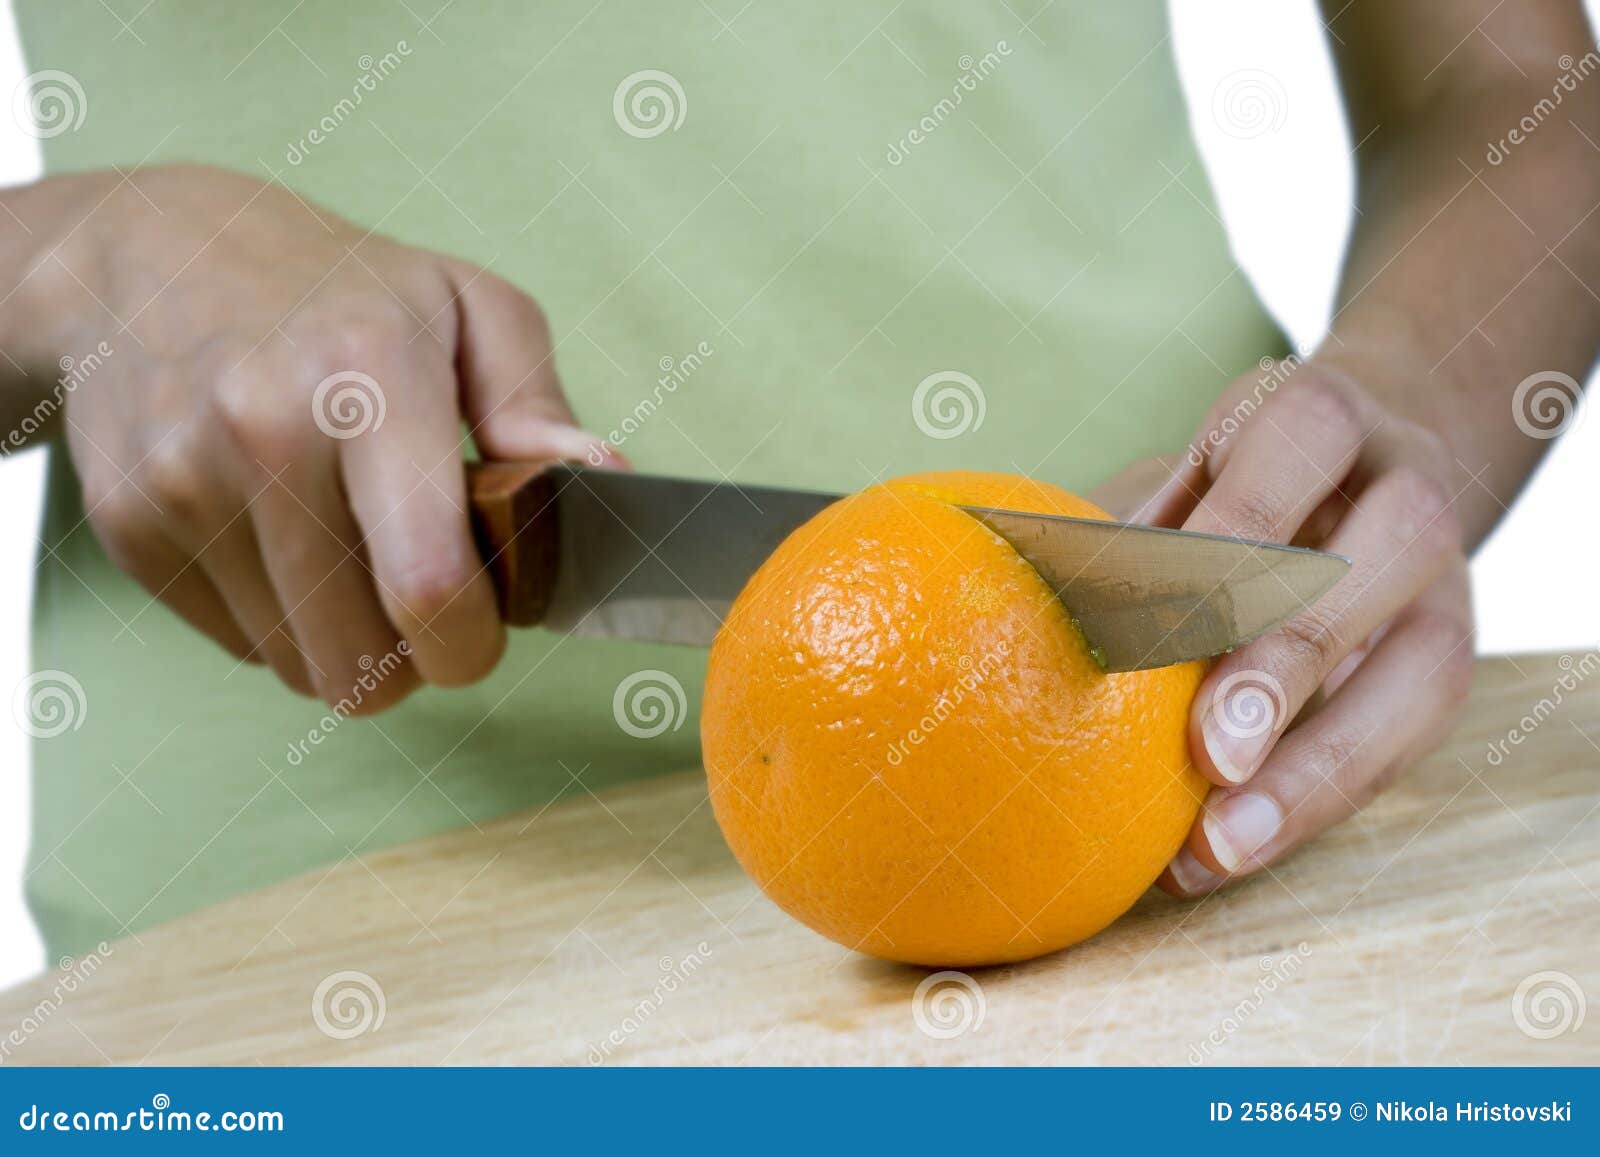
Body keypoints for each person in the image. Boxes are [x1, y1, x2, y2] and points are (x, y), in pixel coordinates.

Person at [2, 1, 1596, 959]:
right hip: (290, 953)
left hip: (1170, 827)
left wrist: (1403, 404)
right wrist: (80, 267)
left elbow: (1514, 91)